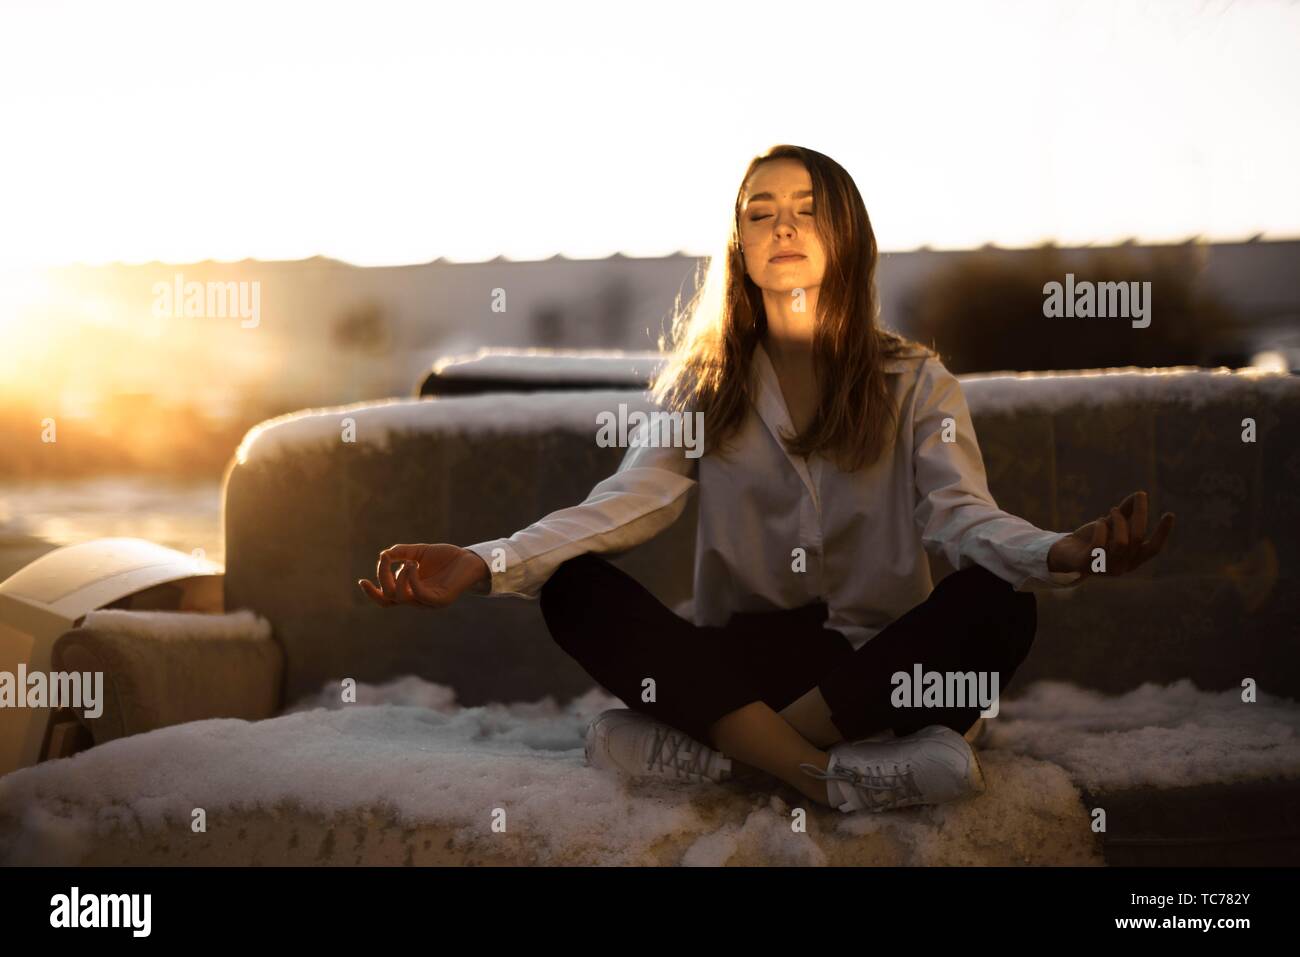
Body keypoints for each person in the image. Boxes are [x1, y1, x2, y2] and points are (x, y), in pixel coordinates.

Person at [358, 144, 1174, 814]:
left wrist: (1062, 551)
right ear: (740, 246)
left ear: (846, 234)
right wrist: (488, 559)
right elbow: (624, 504)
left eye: (806, 207)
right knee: (574, 589)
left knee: (997, 602)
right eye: (760, 212)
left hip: (877, 670)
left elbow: (962, 516)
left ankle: (733, 751)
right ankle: (825, 772)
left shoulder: (916, 379)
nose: (782, 225)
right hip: (748, 662)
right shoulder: (703, 387)